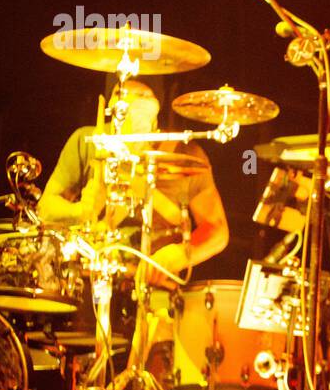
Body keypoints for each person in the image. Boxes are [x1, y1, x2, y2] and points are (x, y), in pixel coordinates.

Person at [38, 79, 229, 296]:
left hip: (155, 290)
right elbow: (45, 208)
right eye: (124, 95)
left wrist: (181, 254)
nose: (134, 103)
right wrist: (80, 211)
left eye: (145, 97)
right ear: (112, 104)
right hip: (86, 283)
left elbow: (217, 230)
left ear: (156, 107)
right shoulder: (87, 140)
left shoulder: (183, 153)